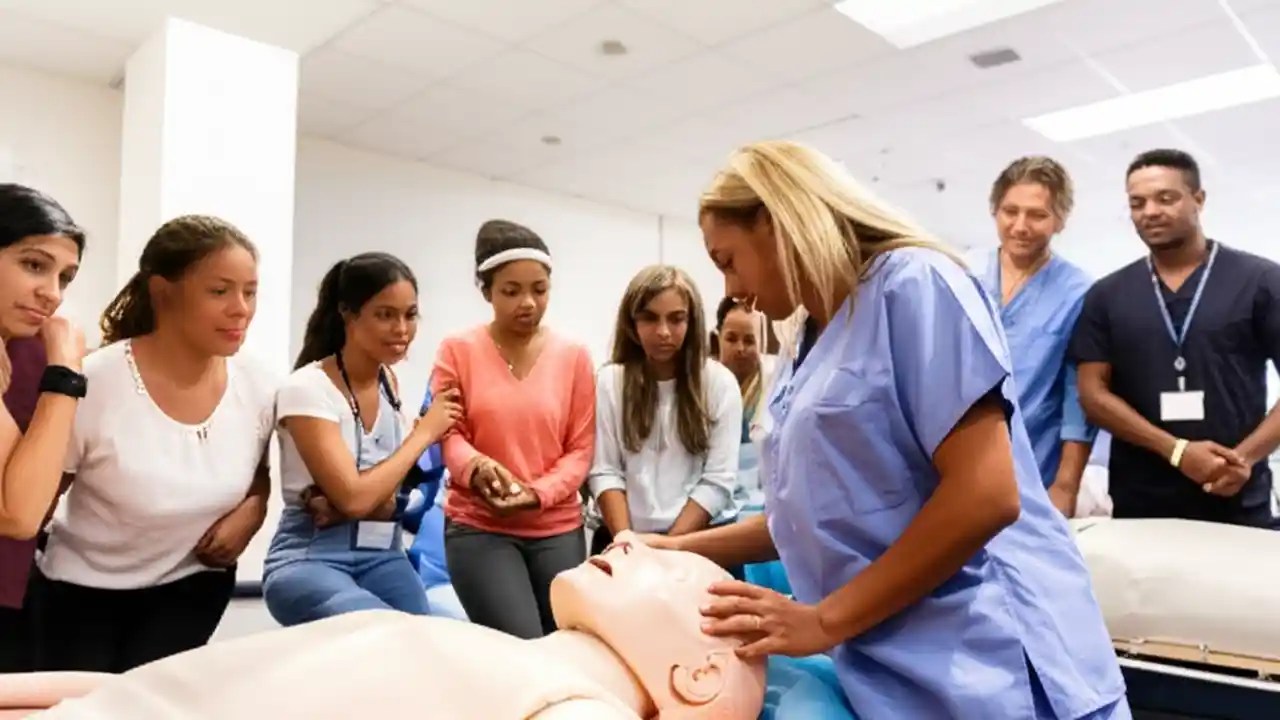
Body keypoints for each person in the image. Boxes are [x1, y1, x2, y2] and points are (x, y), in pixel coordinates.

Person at [646, 140, 1128, 719]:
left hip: (990, 646)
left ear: (778, 223)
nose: (730, 290)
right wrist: (672, 549)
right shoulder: (805, 336)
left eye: (728, 260)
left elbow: (986, 496)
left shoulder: (915, 283)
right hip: (893, 648)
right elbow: (805, 515)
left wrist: (823, 621)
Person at [2, 531, 771, 720]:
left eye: (675, 572)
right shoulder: (502, 656)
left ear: (699, 675)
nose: (633, 540)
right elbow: (191, 687)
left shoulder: (581, 707)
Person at [32, 215, 278, 673]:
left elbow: (257, 473)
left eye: (250, 291)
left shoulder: (261, 386)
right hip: (80, 593)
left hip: (192, 586)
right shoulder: (94, 381)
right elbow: (37, 501)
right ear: (164, 293)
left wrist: (256, 507)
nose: (241, 308)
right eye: (220, 291)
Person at [1071, 149, 1280, 528]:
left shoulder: (1261, 281)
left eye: (1165, 198)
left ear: (1198, 200)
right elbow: (1093, 394)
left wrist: (1244, 459)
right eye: (1137, 203)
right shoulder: (1108, 295)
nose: (1150, 211)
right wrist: (1177, 452)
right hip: (1141, 502)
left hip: (1236, 496)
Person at [262, 252, 462, 626]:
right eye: (385, 315)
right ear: (348, 314)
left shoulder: (391, 386)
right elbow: (355, 497)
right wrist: (422, 436)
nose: (402, 328)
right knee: (386, 635)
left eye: (410, 314)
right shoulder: (307, 389)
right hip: (312, 555)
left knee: (430, 643)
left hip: (384, 552)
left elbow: (384, 496)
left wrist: (352, 502)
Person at [432, 219, 594, 640]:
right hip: (480, 527)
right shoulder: (457, 350)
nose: (528, 302)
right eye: (511, 291)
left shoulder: (574, 356)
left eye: (539, 289)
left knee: (570, 647)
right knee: (522, 646)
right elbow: (448, 433)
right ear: (486, 291)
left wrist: (535, 495)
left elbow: (580, 450)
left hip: (557, 527)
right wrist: (477, 466)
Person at [587, 265, 742, 557]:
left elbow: (718, 480)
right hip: (623, 542)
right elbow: (605, 470)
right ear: (631, 323)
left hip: (698, 541)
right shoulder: (609, 382)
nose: (663, 332)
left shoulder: (720, 384)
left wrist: (669, 546)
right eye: (649, 318)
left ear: (692, 321)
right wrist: (626, 541)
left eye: (676, 319)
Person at [976, 157, 1097, 516]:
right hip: (952, 456)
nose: (1020, 226)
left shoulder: (1079, 291)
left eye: (1037, 215)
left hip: (1032, 462)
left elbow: (1078, 397)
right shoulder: (962, 273)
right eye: (1009, 211)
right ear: (994, 210)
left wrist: (1065, 485)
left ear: (1060, 220)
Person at [0, 184, 87, 673]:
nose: (52, 294)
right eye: (34, 265)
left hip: (16, 590)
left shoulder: (36, 350)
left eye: (65, 277)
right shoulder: (57, 361)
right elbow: (17, 513)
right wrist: (66, 379)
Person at [710, 296, 773, 509]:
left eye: (749, 340)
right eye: (731, 338)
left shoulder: (774, 385)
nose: (740, 348)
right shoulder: (703, 387)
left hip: (762, 501)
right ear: (717, 338)